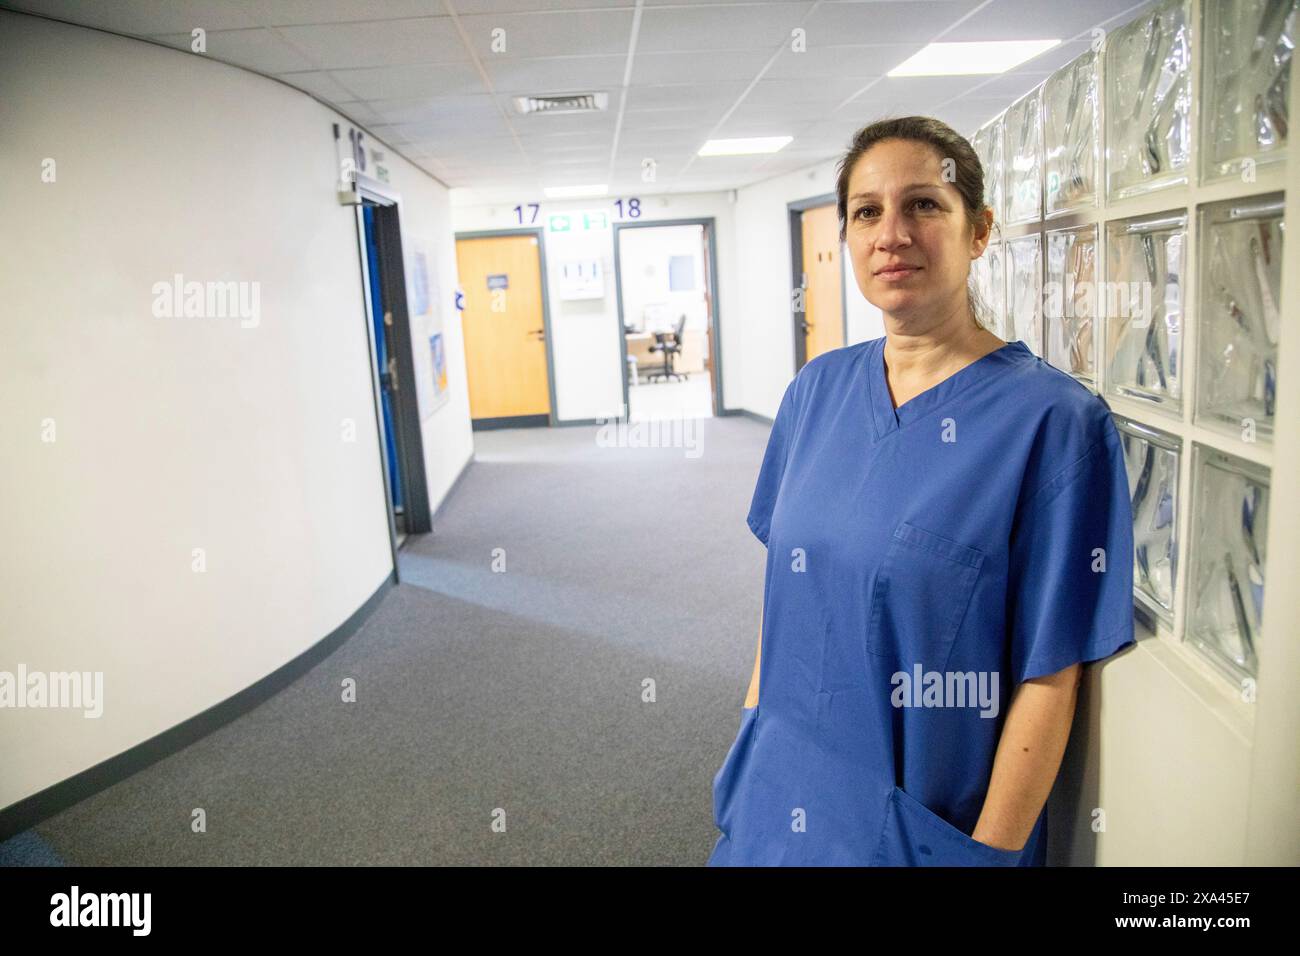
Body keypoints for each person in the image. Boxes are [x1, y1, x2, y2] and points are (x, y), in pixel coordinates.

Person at [707, 116, 1136, 866]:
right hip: (774, 799)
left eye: (924, 205)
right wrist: (750, 738)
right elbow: (788, 596)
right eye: (867, 211)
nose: (891, 234)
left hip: (915, 833)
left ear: (978, 231)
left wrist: (986, 859)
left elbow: (1050, 675)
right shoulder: (816, 391)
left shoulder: (1053, 424)